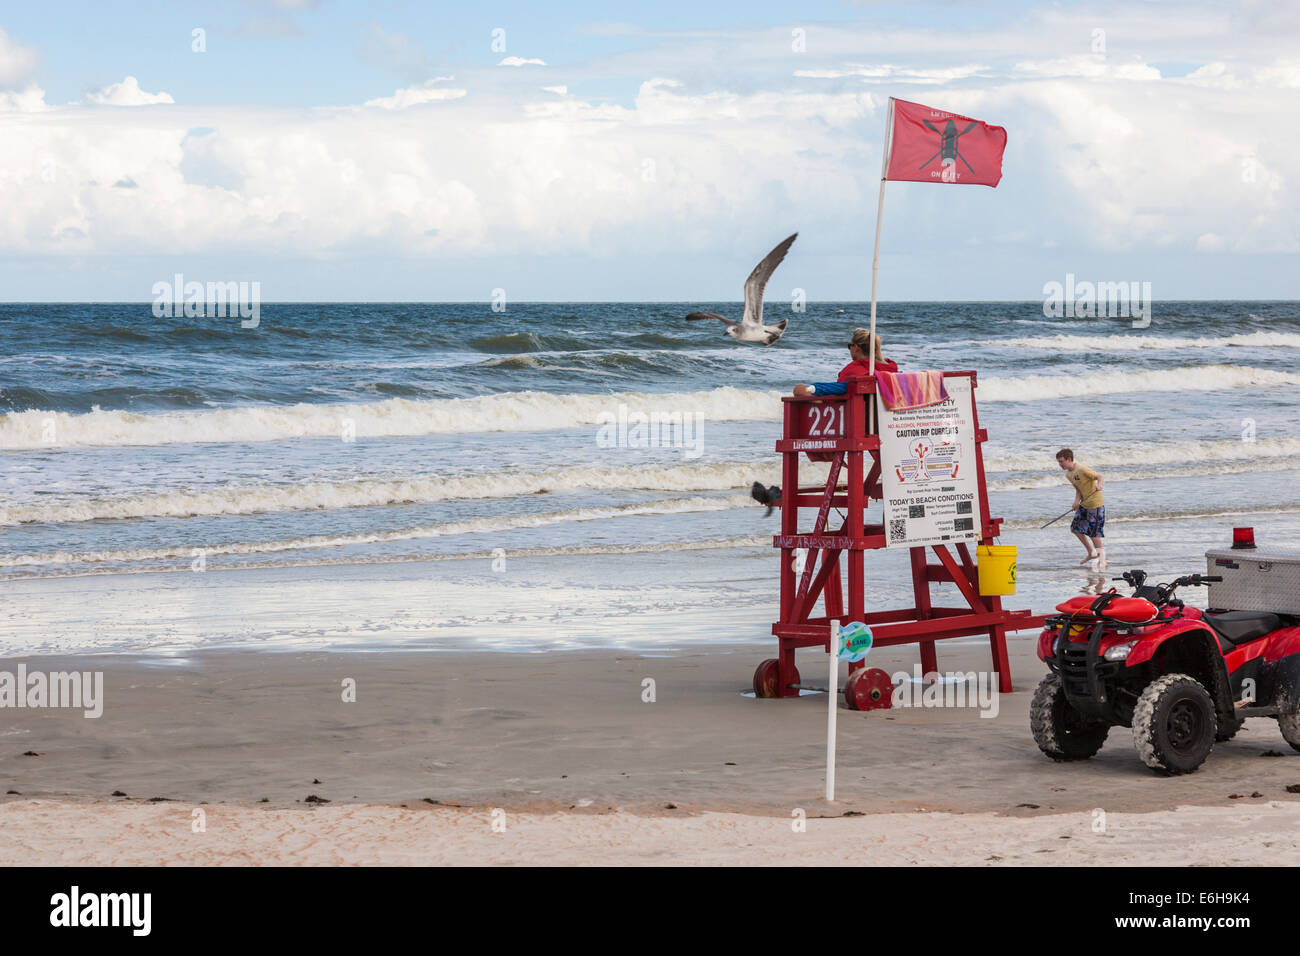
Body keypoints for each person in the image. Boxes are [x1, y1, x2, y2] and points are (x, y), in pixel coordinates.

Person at [751, 329, 897, 512]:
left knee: (802, 394)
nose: (849, 350)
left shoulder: (857, 371)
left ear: (857, 348)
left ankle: (784, 492)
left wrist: (810, 390)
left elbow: (844, 387)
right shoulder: (890, 371)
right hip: (884, 426)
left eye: (849, 346)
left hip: (854, 429)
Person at [1056, 448, 1106, 568]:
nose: (1060, 464)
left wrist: (1099, 485)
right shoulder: (1068, 474)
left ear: (1069, 459)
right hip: (1084, 504)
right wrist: (1076, 502)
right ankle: (1091, 552)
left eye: (1061, 461)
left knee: (1094, 534)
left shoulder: (1082, 469)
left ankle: (1102, 559)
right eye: (1058, 462)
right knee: (1075, 528)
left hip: (1095, 504)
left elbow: (1099, 477)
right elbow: (1078, 489)